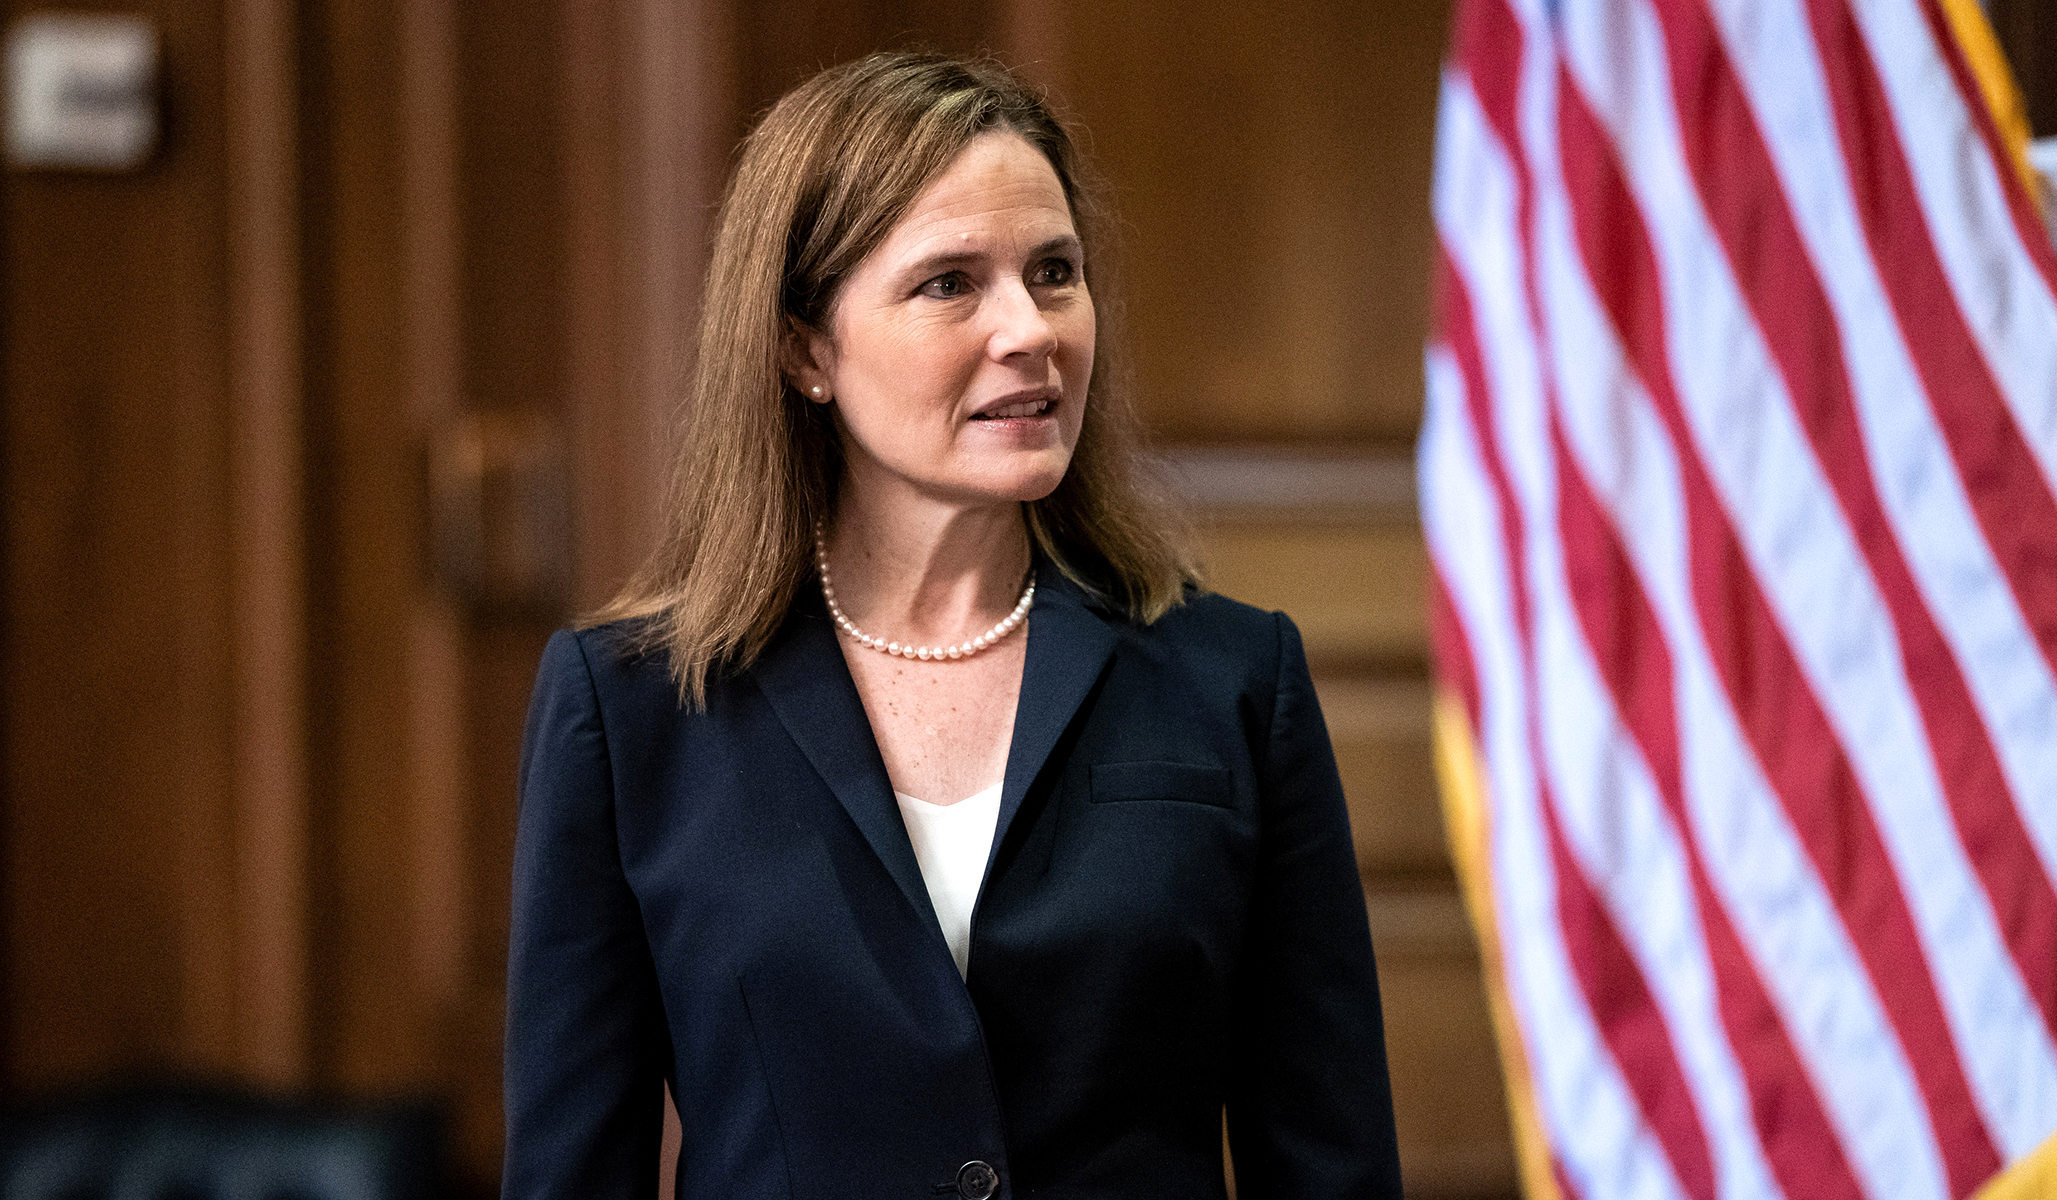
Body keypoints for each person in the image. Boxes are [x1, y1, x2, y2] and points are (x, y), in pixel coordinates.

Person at [503, 52, 1402, 1200]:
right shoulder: (628, 709)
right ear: (803, 348)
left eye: (1053, 271)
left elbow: (1329, 1162)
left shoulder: (1232, 678)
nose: (1029, 329)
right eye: (949, 283)